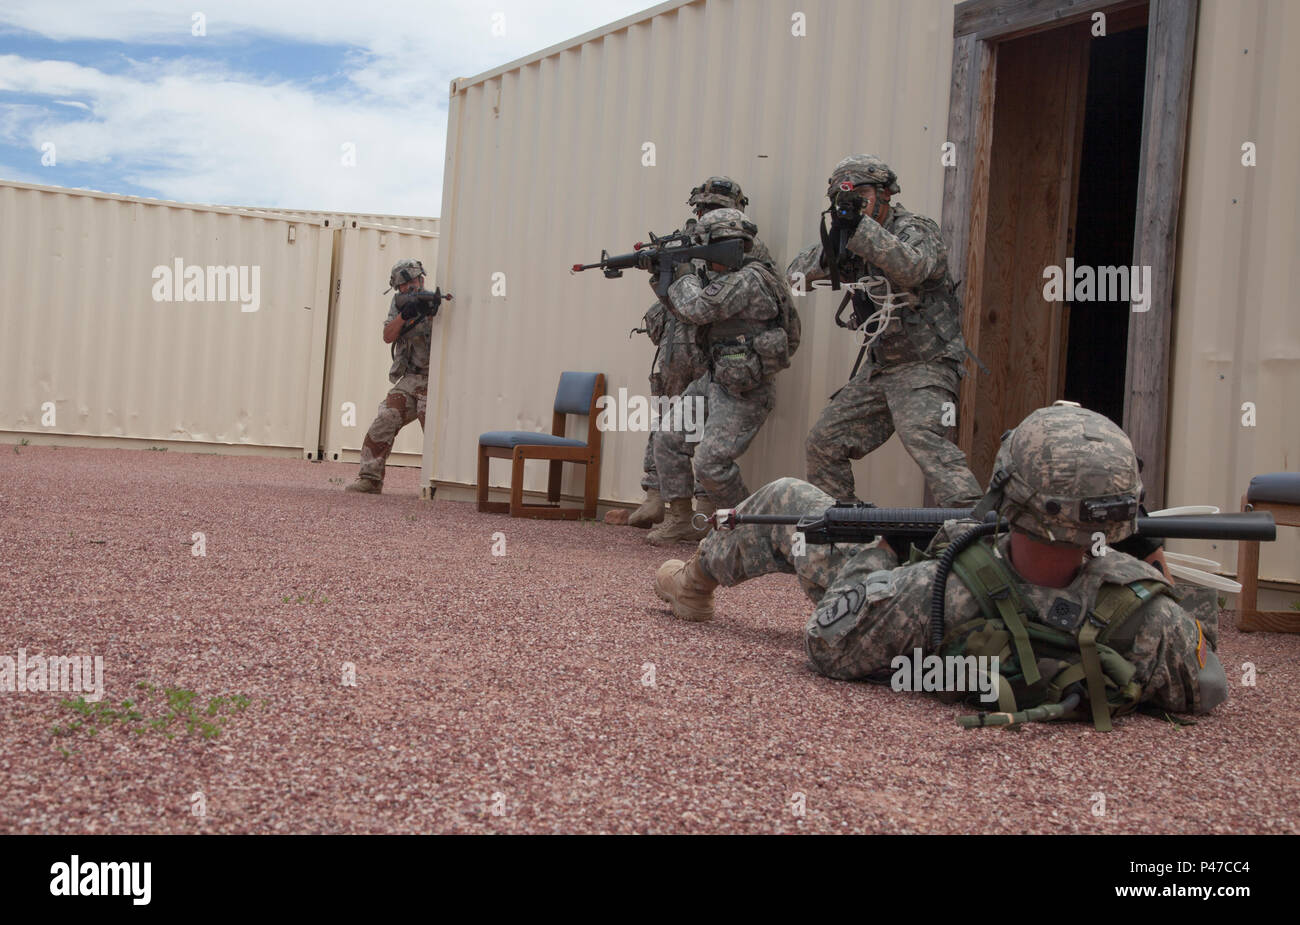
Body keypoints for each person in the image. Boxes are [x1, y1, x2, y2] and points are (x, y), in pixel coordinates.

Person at [654, 404, 1228, 726]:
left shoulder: (932, 589)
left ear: (1009, 489)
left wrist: (879, 550)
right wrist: (1150, 571)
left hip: (921, 591)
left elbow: (827, 641)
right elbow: (1205, 685)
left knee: (789, 500)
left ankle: (694, 581)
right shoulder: (1152, 623)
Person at [788, 154, 982, 507]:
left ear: (885, 194)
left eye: (861, 191)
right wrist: (834, 246)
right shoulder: (849, 235)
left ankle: (973, 527)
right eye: (844, 195)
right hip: (881, 368)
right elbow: (796, 275)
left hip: (927, 363)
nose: (854, 200)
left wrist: (862, 231)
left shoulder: (915, 228)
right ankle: (843, 531)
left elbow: (913, 269)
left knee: (923, 437)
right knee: (824, 441)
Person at [647, 208, 798, 546]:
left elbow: (699, 308)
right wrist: (663, 275)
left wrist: (681, 271)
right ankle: (683, 519)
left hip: (745, 389)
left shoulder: (751, 278)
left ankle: (750, 529)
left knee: (711, 463)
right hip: (716, 378)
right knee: (668, 438)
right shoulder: (725, 279)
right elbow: (686, 313)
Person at [630, 177, 773, 529]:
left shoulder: (746, 252)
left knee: (710, 441)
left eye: (714, 207)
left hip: (725, 354)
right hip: (685, 341)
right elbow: (679, 300)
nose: (705, 213)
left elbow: (711, 300)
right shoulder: (688, 241)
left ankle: (709, 510)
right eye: (701, 207)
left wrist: (683, 275)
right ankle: (659, 496)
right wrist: (662, 273)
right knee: (669, 417)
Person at [344, 258, 449, 494]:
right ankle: (370, 479)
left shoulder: (433, 300)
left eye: (414, 281)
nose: (410, 287)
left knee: (431, 423)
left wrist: (431, 311)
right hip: (411, 378)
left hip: (437, 378)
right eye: (404, 284)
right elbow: (388, 336)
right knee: (386, 417)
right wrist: (406, 314)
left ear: (422, 279)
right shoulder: (399, 303)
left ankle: (442, 483)